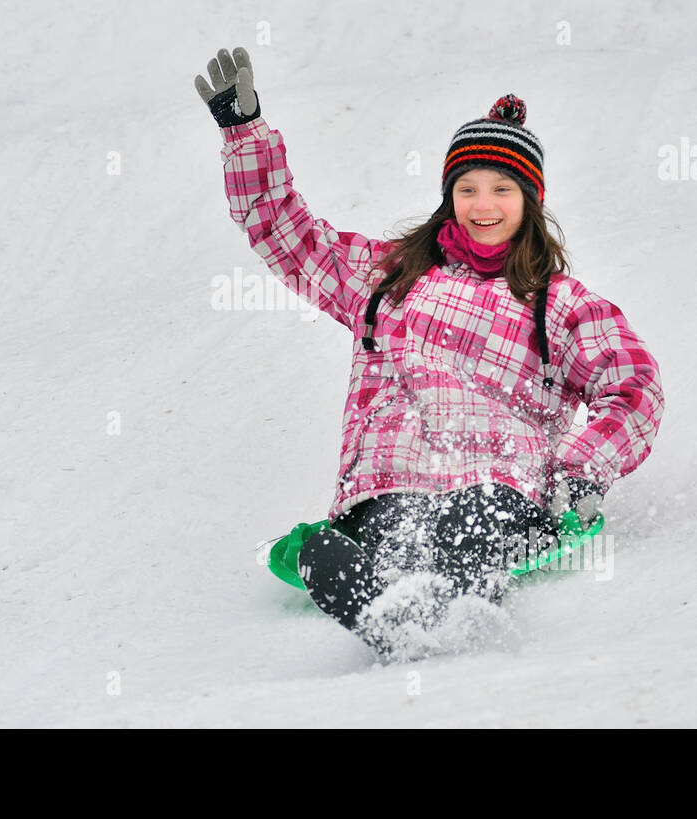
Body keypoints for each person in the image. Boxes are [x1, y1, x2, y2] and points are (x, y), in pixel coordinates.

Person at [194, 46, 665, 659]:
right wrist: (244, 130)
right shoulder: (387, 277)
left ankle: (443, 612)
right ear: (449, 196)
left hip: (499, 484)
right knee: (360, 541)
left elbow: (632, 388)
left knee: (471, 522)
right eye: (467, 188)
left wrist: (580, 470)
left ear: (529, 201)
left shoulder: (558, 302)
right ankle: (391, 611)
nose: (484, 205)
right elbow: (288, 233)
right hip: (388, 482)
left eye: (502, 188)